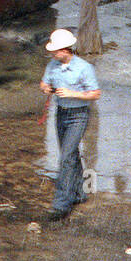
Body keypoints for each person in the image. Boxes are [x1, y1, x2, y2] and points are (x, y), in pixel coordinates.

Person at [40, 29, 100, 222]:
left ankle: (61, 204)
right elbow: (43, 84)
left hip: (78, 115)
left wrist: (72, 93)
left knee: (65, 157)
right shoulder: (52, 65)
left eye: (55, 51)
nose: (52, 54)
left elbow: (95, 93)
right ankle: (80, 193)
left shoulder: (84, 68)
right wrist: (47, 88)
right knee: (70, 154)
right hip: (61, 113)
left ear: (66, 50)